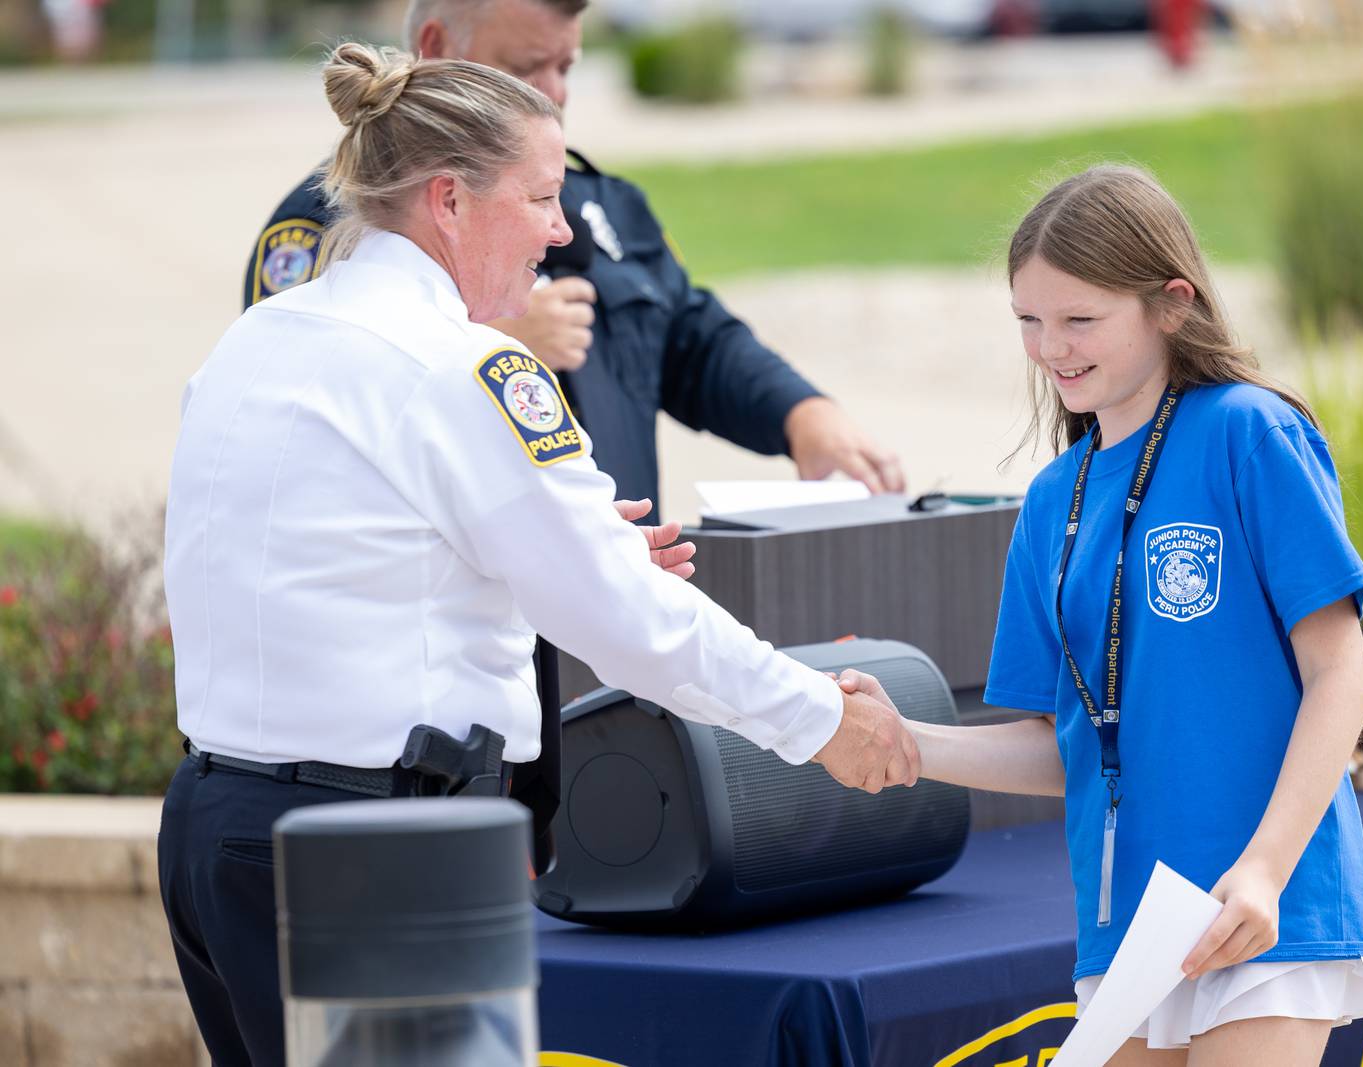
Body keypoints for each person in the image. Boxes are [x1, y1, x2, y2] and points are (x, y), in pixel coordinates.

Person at [163, 43, 919, 1067]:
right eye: (541, 198)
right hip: (376, 851)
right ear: (449, 201)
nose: (562, 232)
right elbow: (629, 621)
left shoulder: (258, 339)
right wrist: (821, 719)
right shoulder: (465, 367)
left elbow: (350, 562)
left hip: (215, 826)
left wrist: (559, 557)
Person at [842, 165, 1363, 1065]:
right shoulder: (1053, 498)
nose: (1051, 347)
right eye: (1028, 321)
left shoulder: (1251, 432)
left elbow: (1341, 673)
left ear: (1172, 303)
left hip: (1270, 912)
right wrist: (911, 742)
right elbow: (1068, 743)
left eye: (1079, 319)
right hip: (1127, 932)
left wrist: (1266, 868)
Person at [245, 0, 904, 521]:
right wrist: (484, 342)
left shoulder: (600, 208)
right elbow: (297, 419)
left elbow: (690, 342)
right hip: (464, 641)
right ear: (438, 50)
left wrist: (801, 414)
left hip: (616, 623)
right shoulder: (338, 220)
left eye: (566, 67)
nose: (554, 92)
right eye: (528, 68)